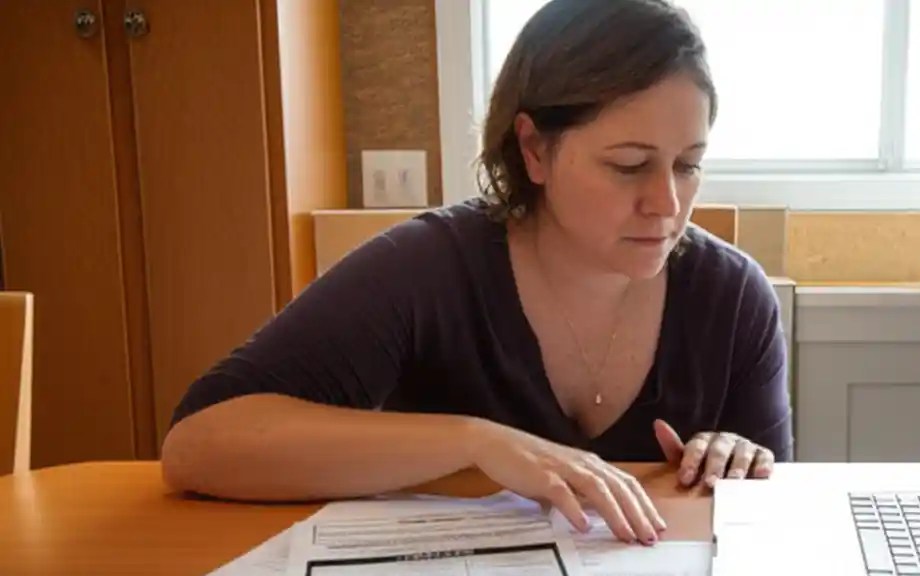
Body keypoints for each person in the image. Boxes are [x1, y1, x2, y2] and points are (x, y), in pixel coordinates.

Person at [160, 0, 793, 546]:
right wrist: (475, 442)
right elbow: (197, 446)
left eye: (688, 165)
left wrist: (744, 464)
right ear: (534, 149)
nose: (667, 203)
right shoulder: (428, 269)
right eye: (628, 165)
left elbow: (773, 528)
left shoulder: (734, 298)